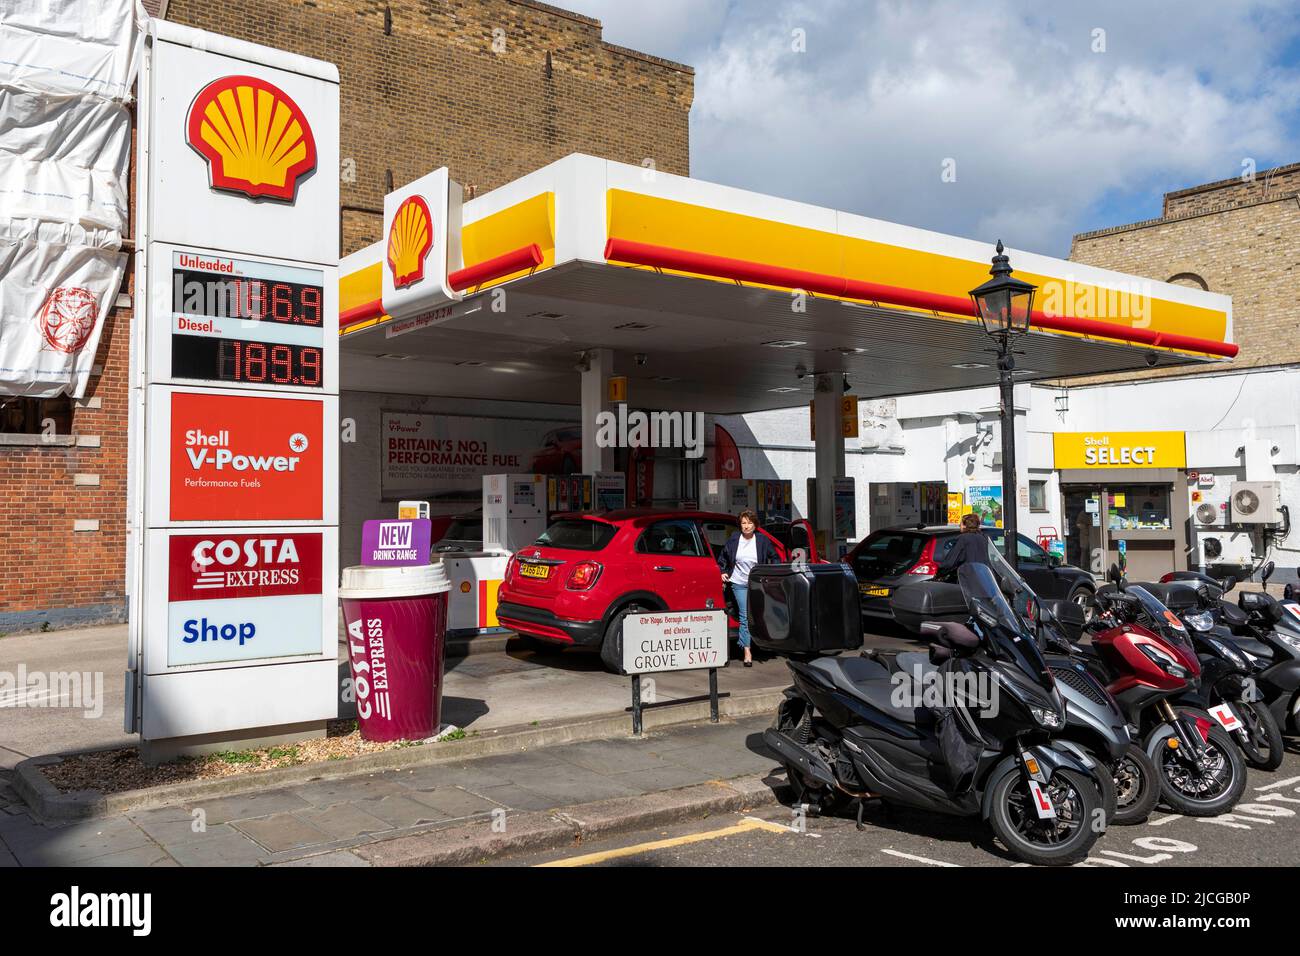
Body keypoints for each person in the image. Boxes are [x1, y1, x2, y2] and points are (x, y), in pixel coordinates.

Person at [718, 509, 779, 666]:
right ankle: (747, 650)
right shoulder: (734, 539)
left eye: (749, 523)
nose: (746, 526)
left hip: (757, 583)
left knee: (757, 615)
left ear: (755, 525)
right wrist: (723, 571)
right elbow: (723, 557)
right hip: (738, 583)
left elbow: (774, 557)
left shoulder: (762, 540)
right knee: (745, 616)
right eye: (743, 523)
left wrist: (771, 573)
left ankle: (761, 643)